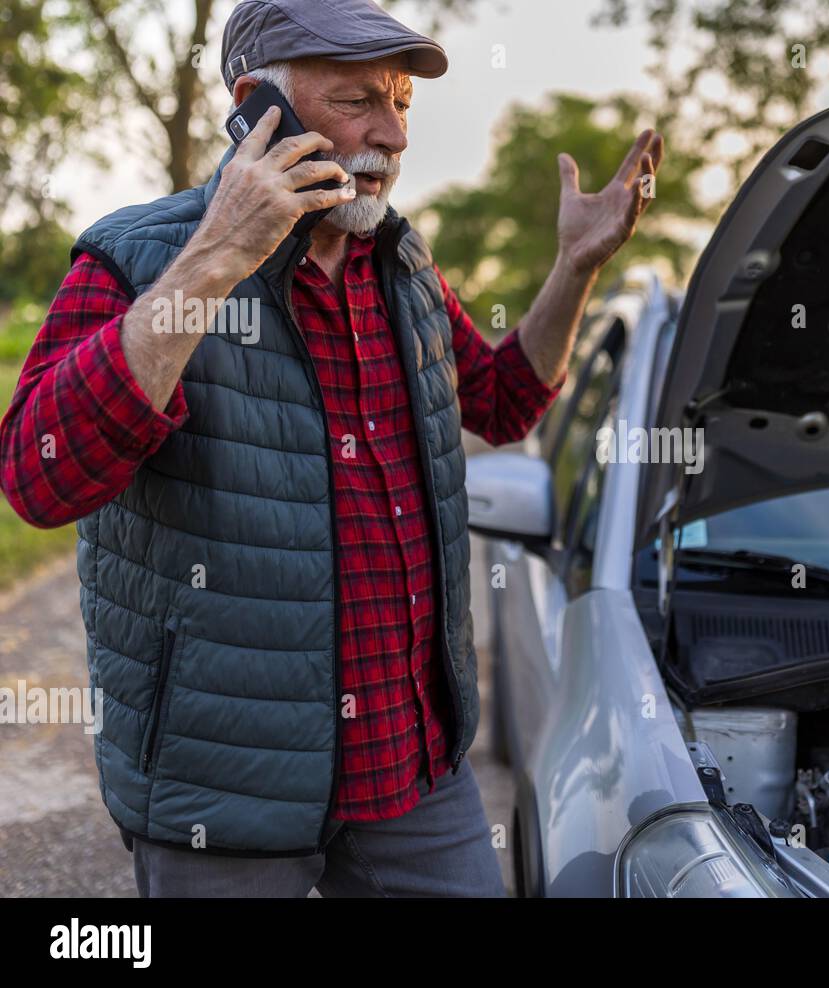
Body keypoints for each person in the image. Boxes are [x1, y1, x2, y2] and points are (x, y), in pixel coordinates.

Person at [0, 0, 663, 897]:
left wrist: (575, 266)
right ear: (254, 110)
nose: (390, 134)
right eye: (357, 101)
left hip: (412, 770)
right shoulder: (131, 258)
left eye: (401, 105)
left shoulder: (405, 264)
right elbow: (40, 477)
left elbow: (504, 403)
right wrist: (216, 258)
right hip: (224, 790)